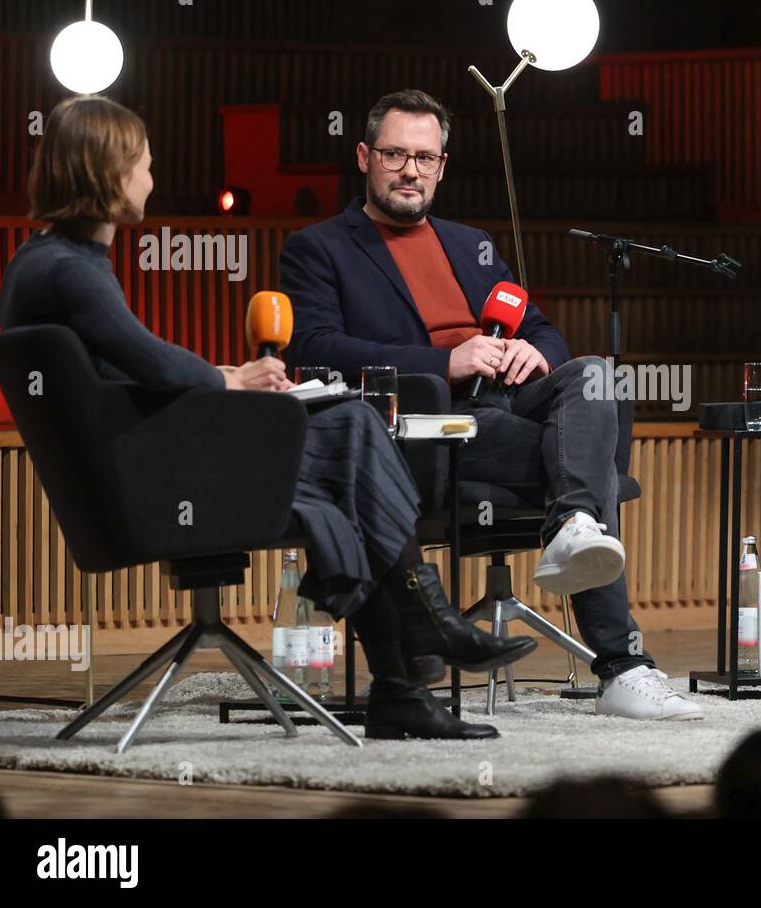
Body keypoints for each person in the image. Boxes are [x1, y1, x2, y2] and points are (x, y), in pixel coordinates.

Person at [0, 95, 537, 740]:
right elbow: (157, 367)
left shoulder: (45, 261)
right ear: (107, 172)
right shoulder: (70, 271)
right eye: (143, 164)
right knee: (355, 430)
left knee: (351, 454)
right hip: (154, 481)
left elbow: (137, 367)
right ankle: (423, 633)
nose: (151, 177)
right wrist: (235, 379)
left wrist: (227, 378)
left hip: (137, 462)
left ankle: (406, 674)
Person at [279, 88, 703, 721]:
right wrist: (444, 362)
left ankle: (572, 528)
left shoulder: (469, 242)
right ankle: (622, 663)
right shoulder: (321, 247)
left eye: (425, 157)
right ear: (365, 157)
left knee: (591, 375)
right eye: (395, 154)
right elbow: (312, 350)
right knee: (589, 476)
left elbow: (543, 327)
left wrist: (538, 354)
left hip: (509, 401)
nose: (410, 169)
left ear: (443, 166)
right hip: (430, 425)